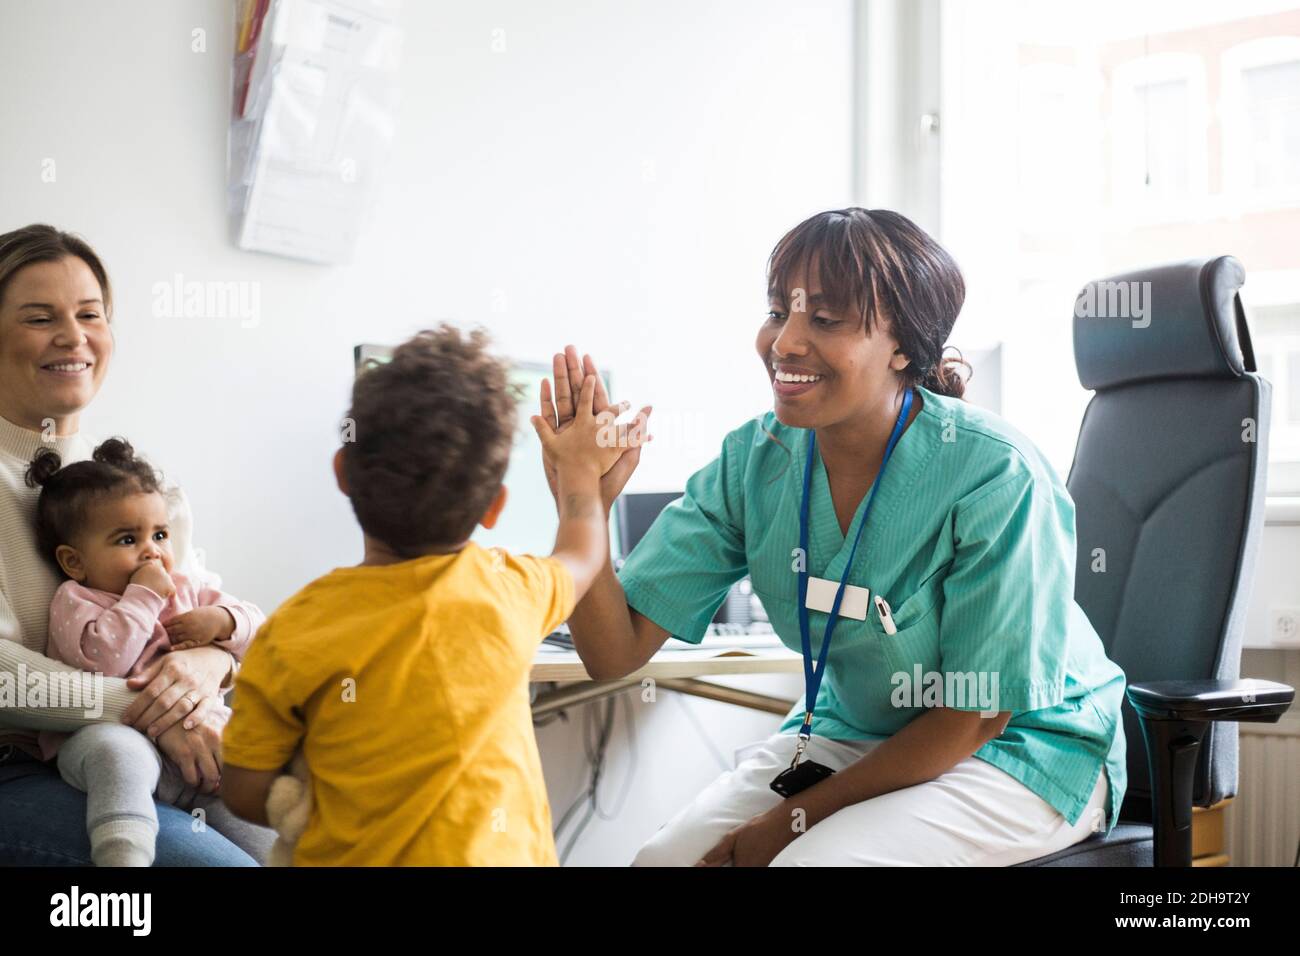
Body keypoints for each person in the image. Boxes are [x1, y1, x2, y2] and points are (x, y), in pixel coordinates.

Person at [538, 207, 1128, 866]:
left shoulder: (995, 474)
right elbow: (613, 654)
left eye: (824, 319)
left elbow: (977, 716)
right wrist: (582, 498)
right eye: (777, 312)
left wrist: (788, 823)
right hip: (857, 731)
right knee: (664, 861)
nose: (785, 342)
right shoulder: (756, 460)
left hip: (1020, 746)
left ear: (903, 347)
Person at [219, 325, 650, 865]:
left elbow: (242, 789)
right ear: (494, 507)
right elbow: (582, 553)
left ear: (343, 474)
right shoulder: (508, 591)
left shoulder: (291, 628)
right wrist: (579, 473)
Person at [0, 223, 272, 865]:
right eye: (40, 317)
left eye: (90, 314)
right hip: (21, 764)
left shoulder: (141, 489)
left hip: (161, 750)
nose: (73, 336)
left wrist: (214, 664)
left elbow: (201, 619)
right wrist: (155, 707)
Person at [27, 438, 267, 866]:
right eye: (127, 539)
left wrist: (225, 622)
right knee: (117, 755)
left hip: (200, 750)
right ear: (74, 562)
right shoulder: (77, 601)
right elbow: (101, 664)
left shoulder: (186, 589)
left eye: (159, 534)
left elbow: (262, 635)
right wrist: (142, 597)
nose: (152, 551)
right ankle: (123, 855)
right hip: (109, 738)